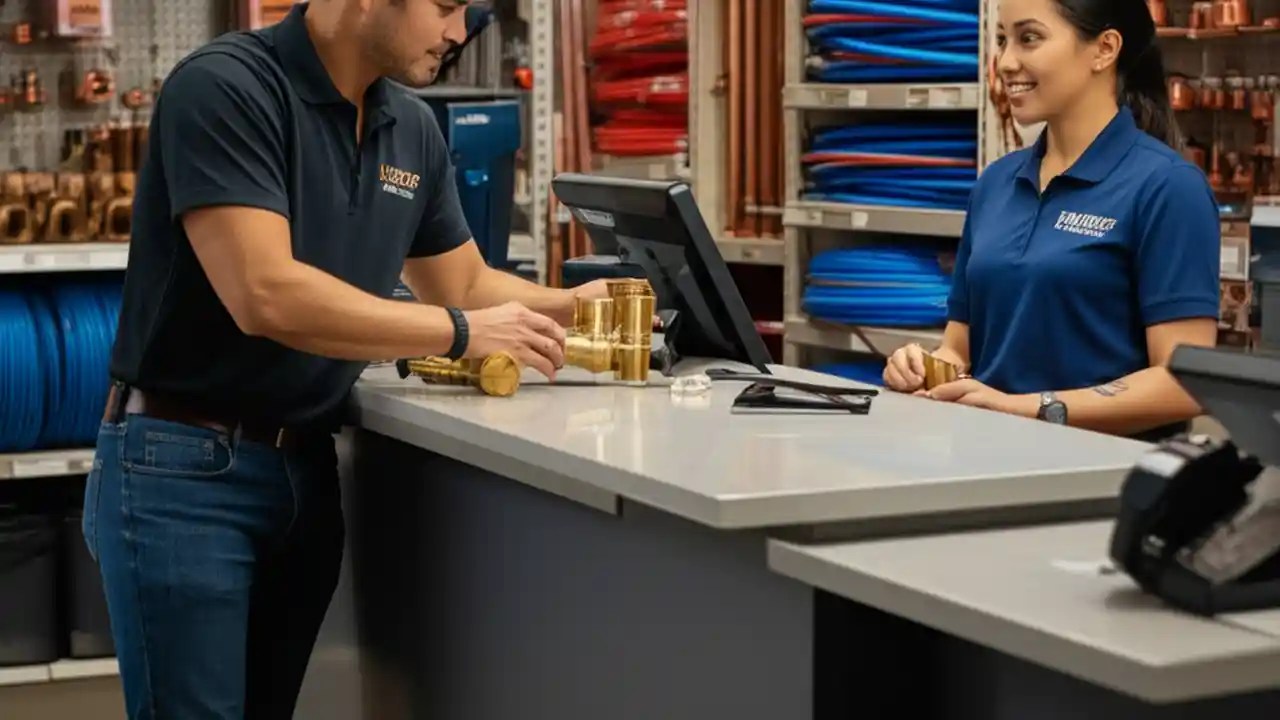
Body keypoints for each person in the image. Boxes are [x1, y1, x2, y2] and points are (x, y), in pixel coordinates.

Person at [82, 1, 609, 718]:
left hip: (305, 469)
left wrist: (580, 304)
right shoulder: (225, 89)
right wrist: (457, 333)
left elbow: (462, 283)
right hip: (184, 470)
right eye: (446, 7)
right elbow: (264, 294)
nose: (459, 33)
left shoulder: (410, 127)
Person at [883, 0, 1220, 439]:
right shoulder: (996, 184)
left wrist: (1029, 408)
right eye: (1002, 40)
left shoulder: (1168, 186)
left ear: (1104, 49)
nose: (1006, 62)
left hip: (1100, 473)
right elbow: (958, 348)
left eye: (1029, 38)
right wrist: (922, 366)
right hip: (986, 459)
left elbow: (1183, 381)